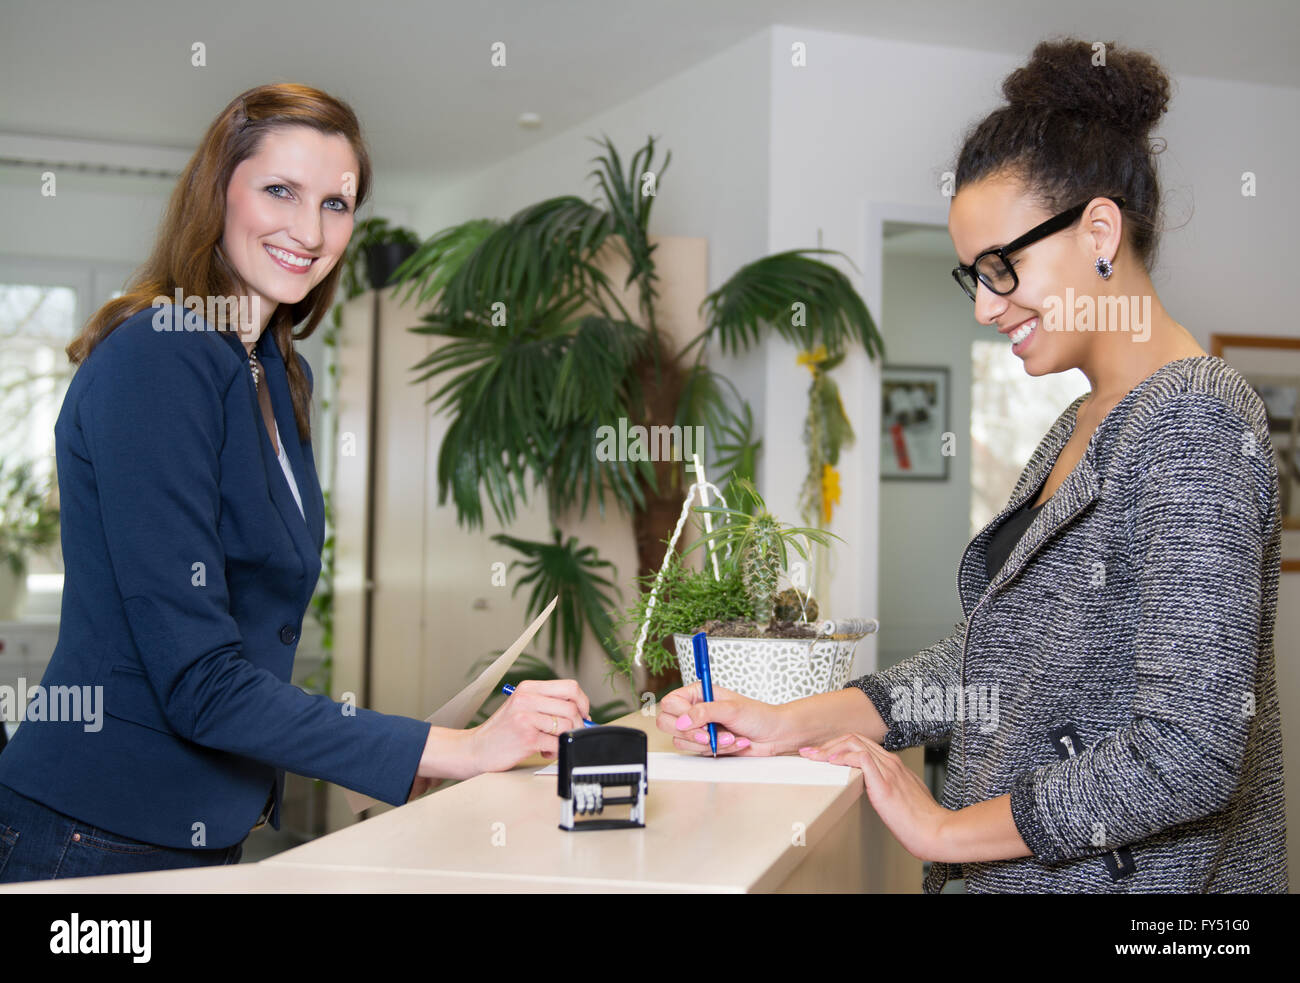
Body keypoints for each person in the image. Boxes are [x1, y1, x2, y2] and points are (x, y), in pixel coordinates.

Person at [657, 38, 1287, 893]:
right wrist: (788, 722)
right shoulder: (1082, 421)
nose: (988, 306)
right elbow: (994, 665)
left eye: (1002, 267)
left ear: (1100, 231)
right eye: (974, 278)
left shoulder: (1194, 422)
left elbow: (1190, 749)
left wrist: (943, 827)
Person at [0, 83, 590, 883]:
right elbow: (200, 681)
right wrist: (456, 748)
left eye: (337, 204)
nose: (310, 232)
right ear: (217, 192)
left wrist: (398, 755)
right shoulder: (158, 357)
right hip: (93, 832)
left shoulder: (276, 370)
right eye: (280, 190)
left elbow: (250, 631)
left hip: (198, 827)